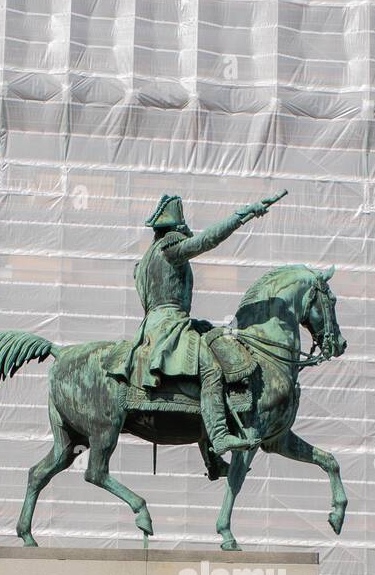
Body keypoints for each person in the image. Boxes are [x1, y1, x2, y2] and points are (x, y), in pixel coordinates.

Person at [108, 192, 280, 457]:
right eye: (183, 227)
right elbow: (207, 240)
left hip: (156, 323)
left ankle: (211, 458)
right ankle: (220, 437)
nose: (187, 231)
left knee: (214, 350)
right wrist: (242, 216)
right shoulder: (170, 249)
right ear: (176, 228)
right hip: (169, 325)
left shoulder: (144, 261)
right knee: (211, 368)